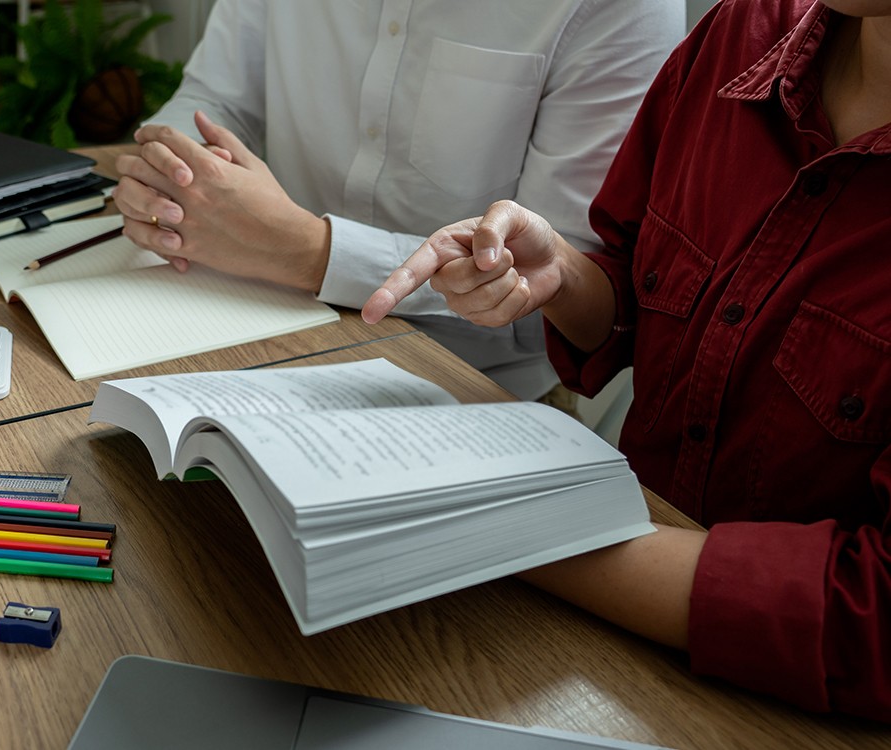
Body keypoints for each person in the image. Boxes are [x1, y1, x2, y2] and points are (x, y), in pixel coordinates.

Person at [362, 0, 891, 723]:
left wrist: (510, 527)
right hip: (595, 634)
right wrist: (559, 275)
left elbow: (872, 618)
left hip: (791, 711)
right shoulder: (741, 33)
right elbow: (635, 294)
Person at [111, 0, 685, 404]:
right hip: (250, 329)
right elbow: (213, 102)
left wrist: (309, 250)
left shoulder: (620, 8)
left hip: (475, 392)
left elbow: (560, 295)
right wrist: (167, 175)